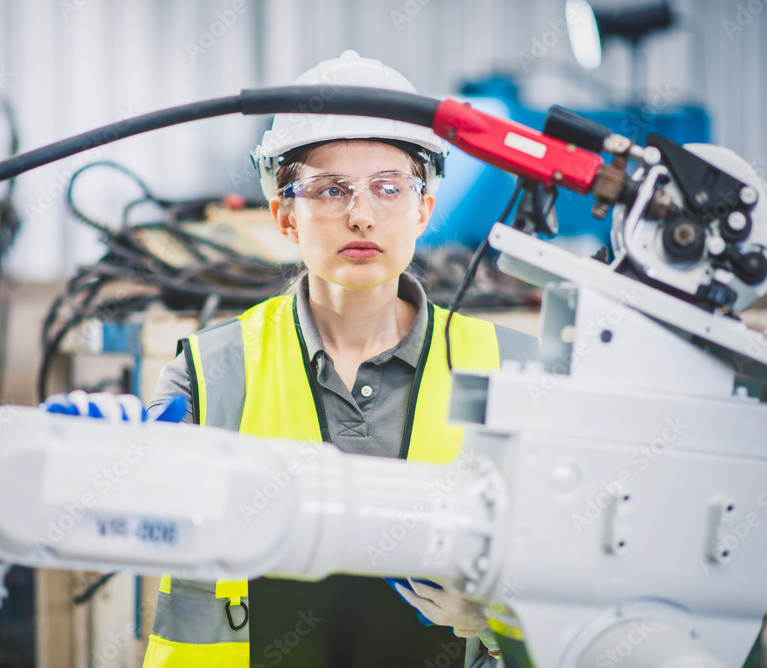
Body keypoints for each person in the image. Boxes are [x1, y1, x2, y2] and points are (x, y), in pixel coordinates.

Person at [140, 51, 537, 668]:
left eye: (388, 188)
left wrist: (494, 619)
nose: (361, 215)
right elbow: (142, 509)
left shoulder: (513, 373)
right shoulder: (209, 375)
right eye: (330, 191)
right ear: (284, 216)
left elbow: (578, 580)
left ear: (424, 208)